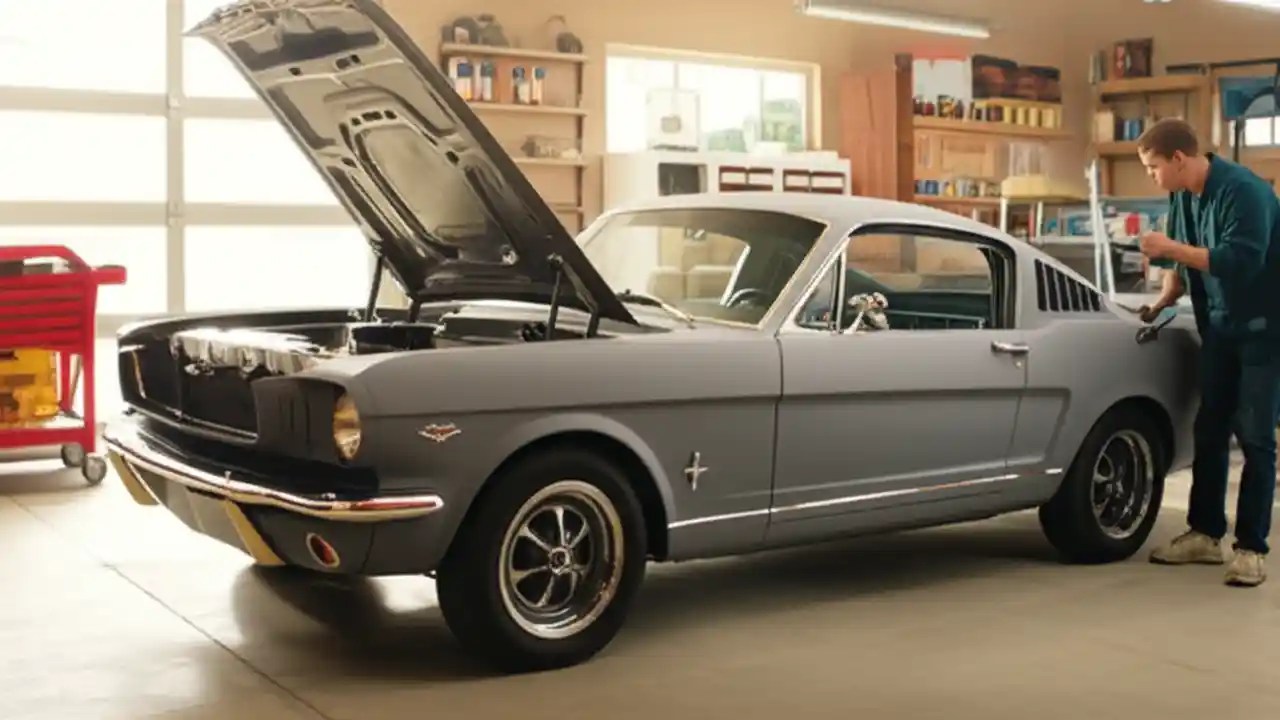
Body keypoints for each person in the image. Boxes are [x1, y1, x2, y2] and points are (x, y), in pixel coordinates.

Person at [1133, 118, 1280, 587]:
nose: (1151, 176)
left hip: (1264, 329)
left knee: (1256, 436)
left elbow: (1240, 260)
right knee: (1210, 427)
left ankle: (1252, 549)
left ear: (1178, 160)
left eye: (1154, 167)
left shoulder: (1246, 192)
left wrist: (1172, 246)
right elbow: (1182, 261)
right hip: (1218, 326)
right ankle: (1205, 533)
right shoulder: (1180, 194)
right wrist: (1161, 300)